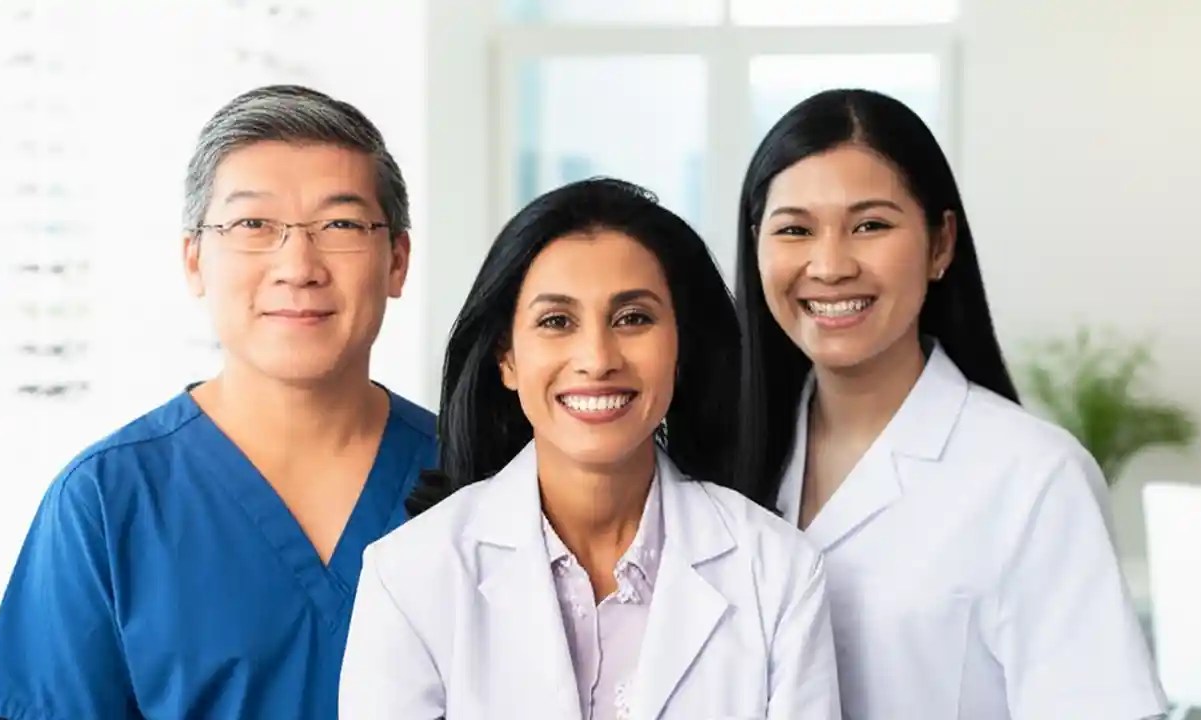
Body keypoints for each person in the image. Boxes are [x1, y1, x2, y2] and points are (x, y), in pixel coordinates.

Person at [0, 85, 437, 719]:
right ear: (194, 261)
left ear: (397, 260)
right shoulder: (106, 501)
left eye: (340, 225)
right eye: (253, 225)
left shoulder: (481, 477)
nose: (298, 265)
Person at [732, 88, 1168, 719]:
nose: (828, 265)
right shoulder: (725, 461)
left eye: (870, 225)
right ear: (757, 247)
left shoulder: (1034, 476)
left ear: (940, 244)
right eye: (795, 230)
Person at [338, 178, 841, 719]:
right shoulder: (412, 574)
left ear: (681, 348)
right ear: (507, 358)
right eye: (557, 322)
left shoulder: (777, 570)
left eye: (633, 319)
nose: (597, 358)